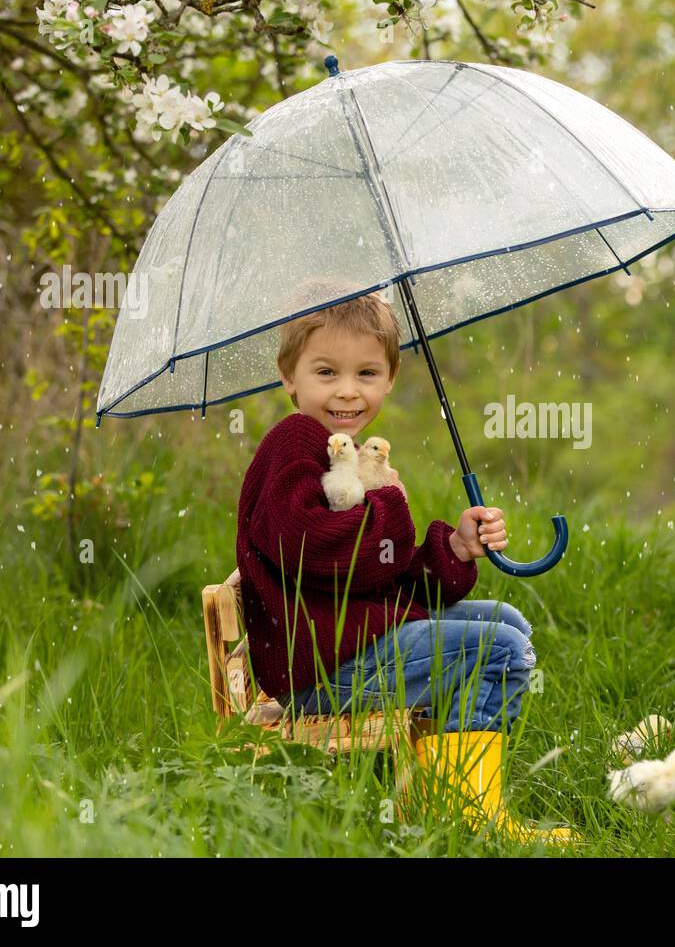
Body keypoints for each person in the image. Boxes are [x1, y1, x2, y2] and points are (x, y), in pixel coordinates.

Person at [235, 286, 577, 844]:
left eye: (367, 373)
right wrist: (388, 503)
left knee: (507, 621)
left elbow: (381, 577)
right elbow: (310, 547)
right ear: (289, 376)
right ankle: (468, 813)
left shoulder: (346, 454)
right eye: (326, 372)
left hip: (349, 643)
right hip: (320, 669)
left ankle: (433, 792)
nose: (348, 390)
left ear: (391, 377)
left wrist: (456, 550)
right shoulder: (295, 442)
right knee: (503, 647)